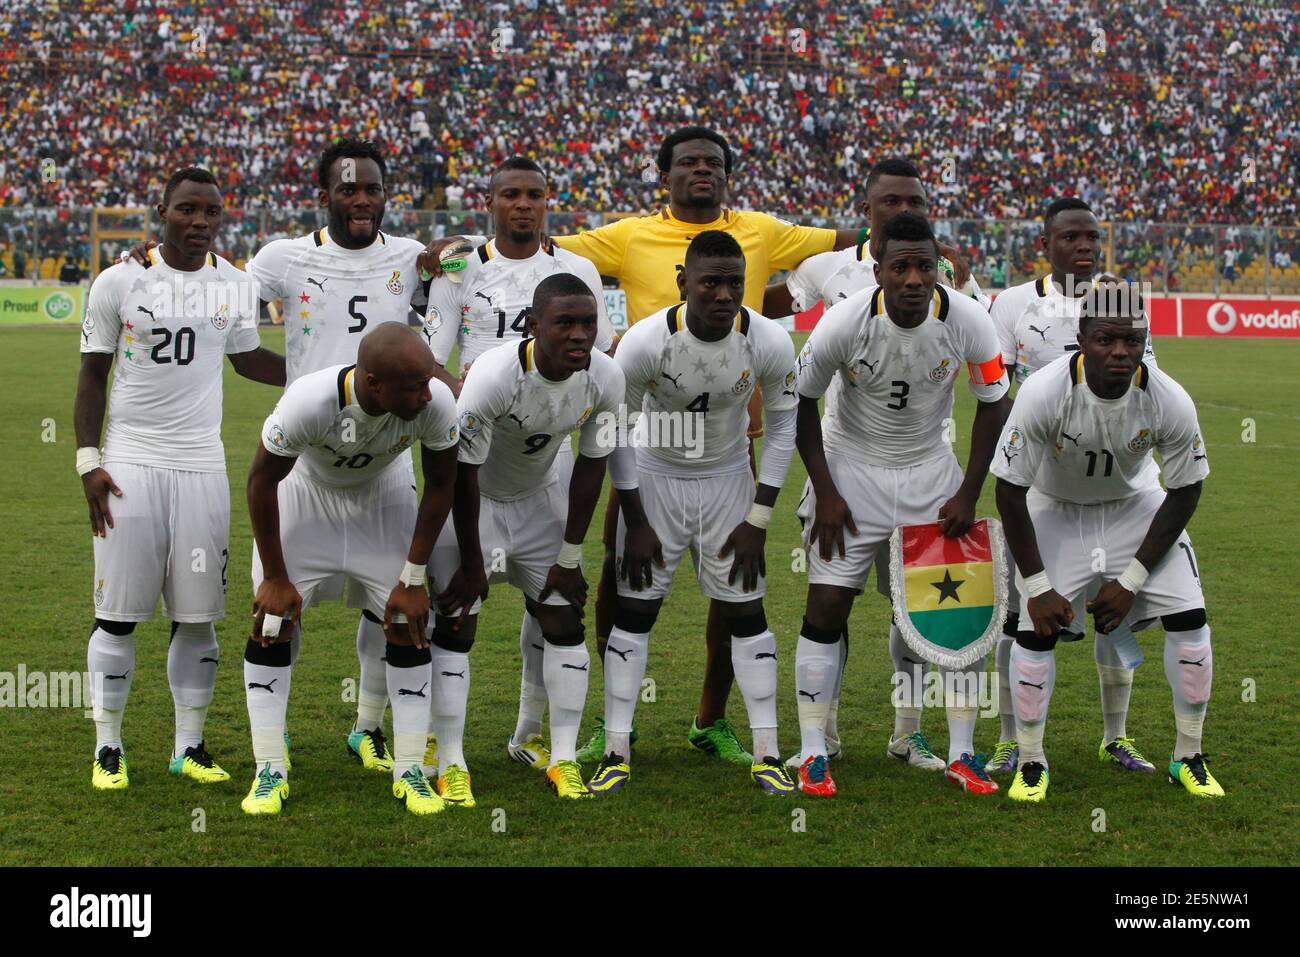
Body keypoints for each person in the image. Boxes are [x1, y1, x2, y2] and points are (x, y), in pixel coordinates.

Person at [425, 126, 858, 768]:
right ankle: (600, 733)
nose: (702, 170)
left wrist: (894, 254)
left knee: (732, 597)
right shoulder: (623, 242)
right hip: (635, 443)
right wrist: (440, 251)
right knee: (609, 583)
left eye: (714, 162)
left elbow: (851, 241)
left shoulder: (764, 238)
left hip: (727, 445)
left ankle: (716, 724)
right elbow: (528, 243)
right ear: (666, 174)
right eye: (689, 162)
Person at [125, 138, 454, 776]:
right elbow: (219, 295)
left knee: (391, 607)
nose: (361, 200)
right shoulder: (282, 258)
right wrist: (153, 261)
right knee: (276, 617)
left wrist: (449, 253)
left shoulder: (414, 259)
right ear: (324, 194)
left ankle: (369, 728)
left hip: (385, 461)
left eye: (372, 189)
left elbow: (478, 277)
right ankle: (270, 764)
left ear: (386, 196)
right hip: (311, 453)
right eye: (348, 188)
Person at [74, 166, 286, 791]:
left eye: (212, 212)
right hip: (131, 460)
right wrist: (88, 460)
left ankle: (188, 745)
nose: (200, 222)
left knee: (198, 617)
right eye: (187, 209)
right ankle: (108, 745)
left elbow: (248, 359)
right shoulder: (120, 280)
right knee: (116, 614)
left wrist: (325, 371)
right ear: (161, 210)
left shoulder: (235, 283)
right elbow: (92, 373)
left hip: (201, 462)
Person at [790, 213, 1011, 797]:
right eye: (900, 266)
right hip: (851, 470)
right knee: (827, 607)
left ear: (940, 266)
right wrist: (827, 489)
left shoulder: (967, 320)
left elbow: (994, 401)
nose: (914, 278)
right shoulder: (843, 320)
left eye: (925, 265)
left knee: (953, 617)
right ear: (879, 269)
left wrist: (967, 491)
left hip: (931, 477)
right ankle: (815, 751)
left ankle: (959, 751)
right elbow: (800, 403)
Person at [991, 281, 1223, 801]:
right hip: (1054, 507)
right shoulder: (1044, 392)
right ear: (1082, 338)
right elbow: (1008, 491)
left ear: (1145, 340)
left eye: (1132, 341)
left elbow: (1186, 490)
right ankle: (1032, 759)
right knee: (1034, 632)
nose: (1120, 352)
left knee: (1191, 619)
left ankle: (1189, 754)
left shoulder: (1169, 398)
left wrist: (1132, 579)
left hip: (1135, 506)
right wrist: (1037, 585)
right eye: (1106, 340)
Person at [423, 157, 616, 774]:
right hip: (476, 440)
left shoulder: (577, 269)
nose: (523, 205)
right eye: (511, 195)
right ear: (491, 202)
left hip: (547, 456)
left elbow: (600, 355)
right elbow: (431, 352)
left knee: (552, 602)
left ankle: (531, 735)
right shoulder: (461, 267)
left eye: (534, 194)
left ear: (547, 200)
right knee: (450, 607)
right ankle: (434, 739)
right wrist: (464, 393)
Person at [592, 230, 799, 795]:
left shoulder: (768, 341)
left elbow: (784, 429)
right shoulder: (644, 343)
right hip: (656, 478)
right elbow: (615, 432)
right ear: (684, 283)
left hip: (728, 481)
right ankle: (615, 748)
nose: (725, 294)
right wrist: (634, 521)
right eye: (711, 282)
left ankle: (768, 752)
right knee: (634, 614)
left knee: (747, 615)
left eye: (734, 282)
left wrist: (758, 519)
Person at [242, 324, 460, 815]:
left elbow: (442, 485)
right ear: (373, 384)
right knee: (272, 625)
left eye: (428, 382)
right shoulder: (310, 401)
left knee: (407, 625)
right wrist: (276, 577)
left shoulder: (436, 401)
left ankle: (408, 770)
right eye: (414, 387)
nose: (428, 395)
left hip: (382, 494)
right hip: (307, 494)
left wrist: (413, 577)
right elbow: (261, 482)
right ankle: (269, 768)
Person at [986, 198, 1159, 778]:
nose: (1084, 247)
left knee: (1117, 610)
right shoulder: (1011, 304)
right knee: (1024, 612)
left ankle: (1117, 736)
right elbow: (997, 393)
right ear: (1046, 242)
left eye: (1092, 238)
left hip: (1115, 484)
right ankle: (1013, 740)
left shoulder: (1119, 300)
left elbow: (1144, 384)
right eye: (1071, 238)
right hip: (1040, 481)